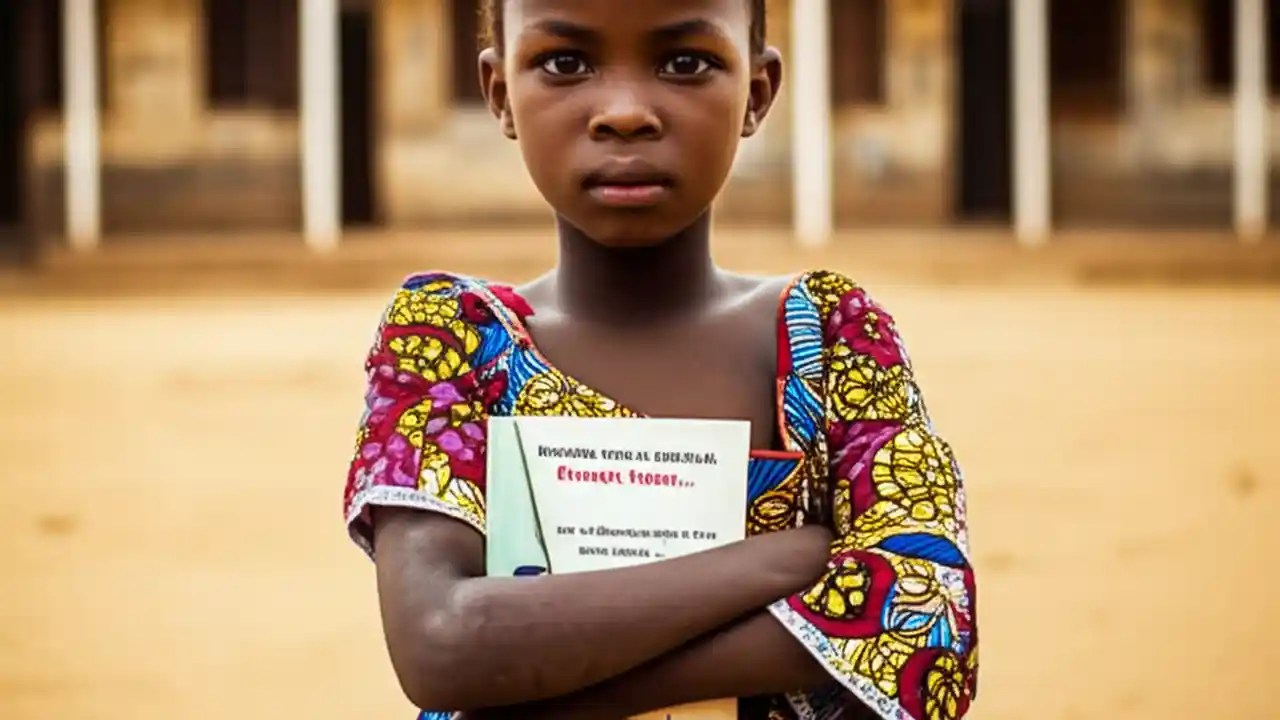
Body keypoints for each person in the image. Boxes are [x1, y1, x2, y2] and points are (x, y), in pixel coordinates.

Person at [341, 1, 978, 718]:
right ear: (500, 95)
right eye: (565, 63)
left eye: (684, 63)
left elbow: (925, 625)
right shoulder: (449, 340)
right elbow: (442, 643)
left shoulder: (831, 341)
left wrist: (540, 690)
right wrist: (786, 559)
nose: (623, 112)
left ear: (757, 94)